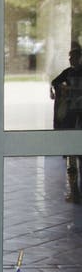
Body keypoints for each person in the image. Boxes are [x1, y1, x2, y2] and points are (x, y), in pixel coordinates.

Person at [50, 42, 82, 202]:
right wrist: (61, 90)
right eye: (70, 58)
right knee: (71, 155)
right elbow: (55, 81)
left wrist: (71, 90)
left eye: (74, 57)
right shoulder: (68, 72)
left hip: (79, 115)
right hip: (71, 116)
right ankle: (74, 191)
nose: (71, 60)